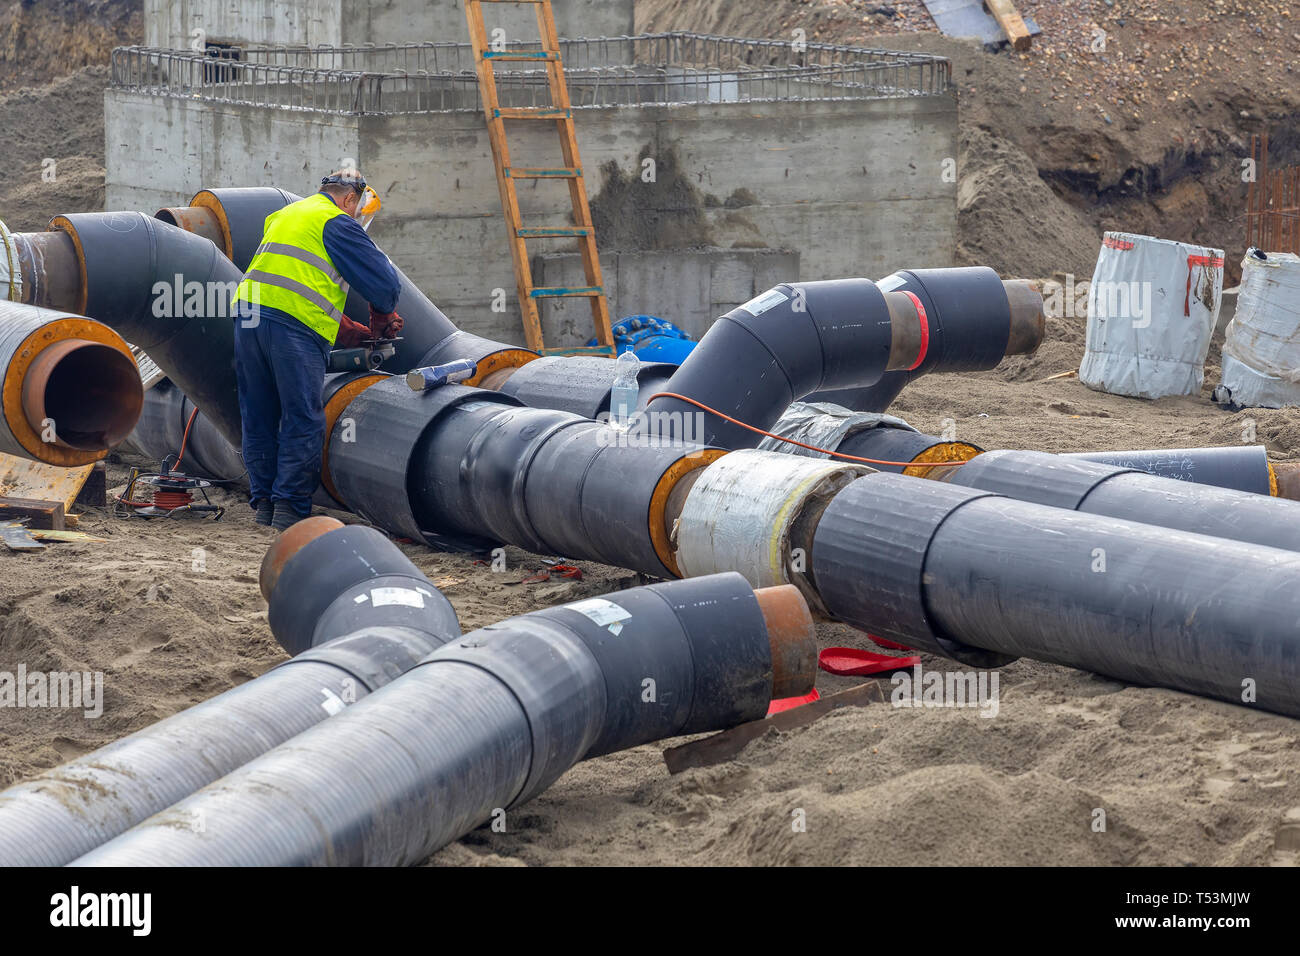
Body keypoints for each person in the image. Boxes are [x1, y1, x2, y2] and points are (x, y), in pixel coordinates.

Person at [231, 169, 403, 530]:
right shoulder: (337, 221)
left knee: (259, 413)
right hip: (290, 326)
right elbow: (385, 284)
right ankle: (290, 510)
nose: (358, 218)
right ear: (349, 199)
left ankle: (264, 504)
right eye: (358, 210)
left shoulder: (287, 215)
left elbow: (293, 285)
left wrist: (350, 332)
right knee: (303, 416)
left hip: (248, 316)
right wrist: (382, 317)